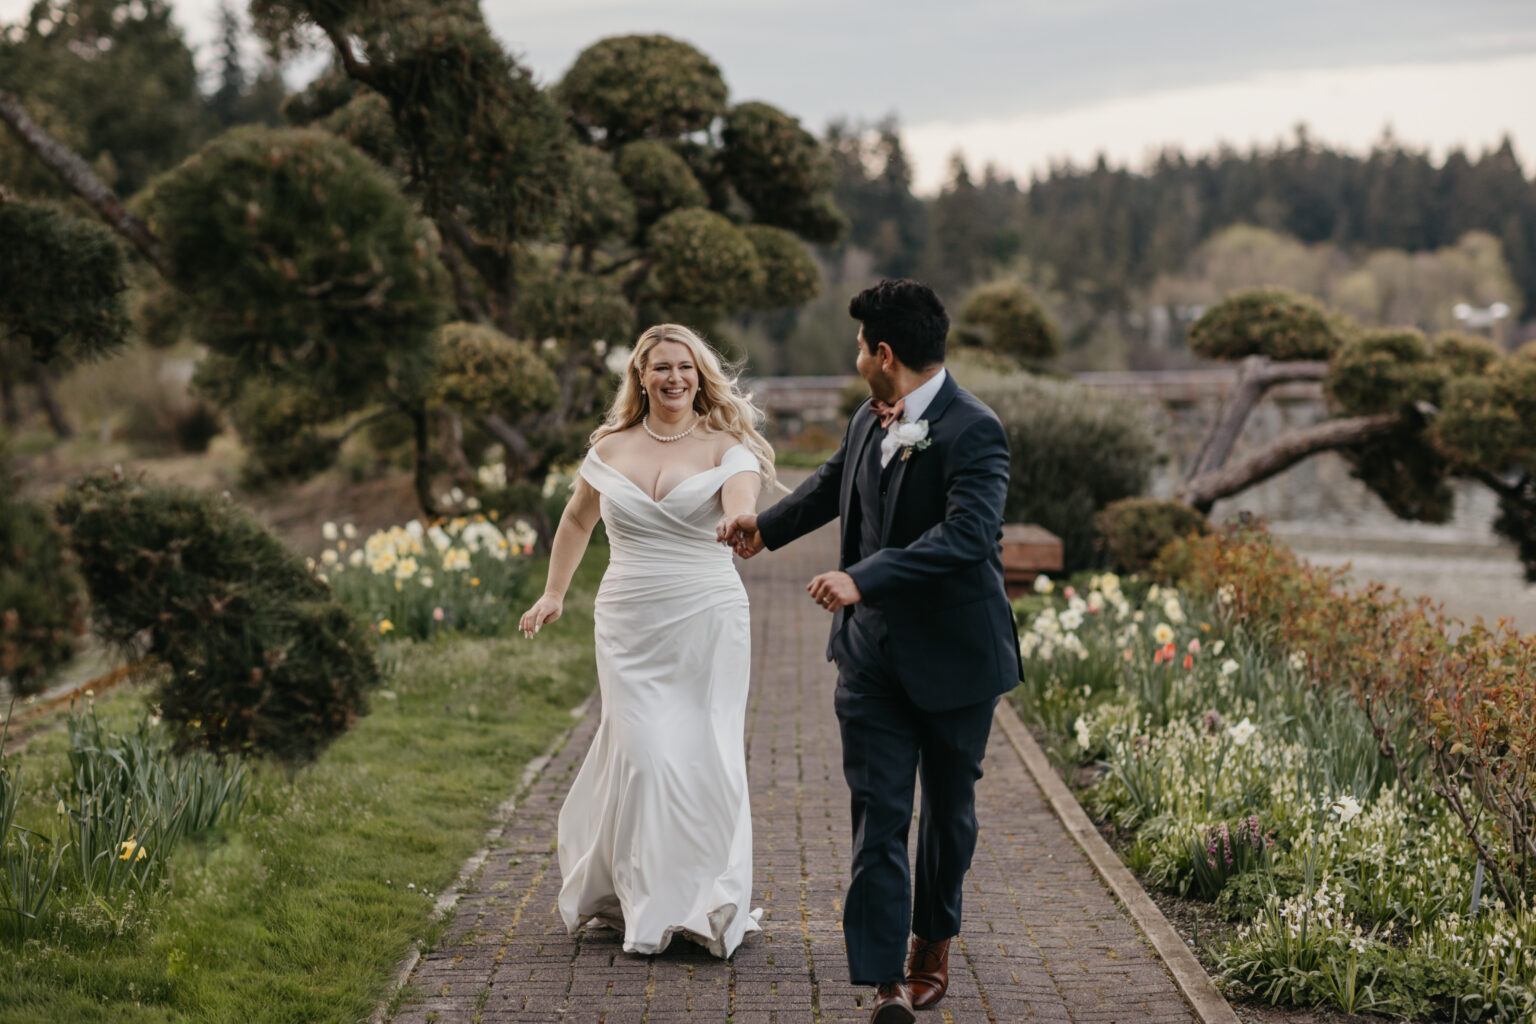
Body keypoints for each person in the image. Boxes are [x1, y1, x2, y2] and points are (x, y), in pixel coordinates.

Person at [718, 279, 1023, 1023]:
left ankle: (933, 939)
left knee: (948, 814)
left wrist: (863, 576)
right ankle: (886, 975)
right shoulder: (866, 418)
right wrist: (767, 525)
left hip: (956, 660)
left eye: (860, 347)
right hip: (870, 660)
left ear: (884, 353)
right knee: (879, 814)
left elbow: (967, 538)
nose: (857, 358)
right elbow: (833, 486)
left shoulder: (972, 430)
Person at [519, 323, 774, 958]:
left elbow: (743, 498)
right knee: (643, 754)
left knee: (701, 753)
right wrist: (554, 593)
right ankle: (647, 900)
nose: (674, 378)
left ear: (700, 373)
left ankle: (703, 901)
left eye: (684, 367)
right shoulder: (610, 447)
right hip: (629, 619)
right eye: (661, 367)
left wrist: (742, 522)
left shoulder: (726, 445)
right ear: (640, 376)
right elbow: (578, 517)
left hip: (706, 616)